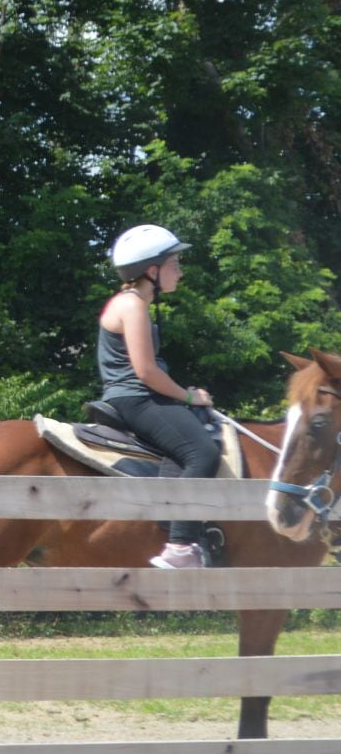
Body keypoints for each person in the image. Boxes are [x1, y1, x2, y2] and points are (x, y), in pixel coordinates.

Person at [98, 223, 219, 569]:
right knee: (202, 452)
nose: (180, 270)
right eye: (174, 263)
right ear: (152, 270)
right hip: (136, 398)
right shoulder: (132, 305)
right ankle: (180, 546)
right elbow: (146, 371)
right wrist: (188, 397)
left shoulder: (134, 302)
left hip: (139, 396)